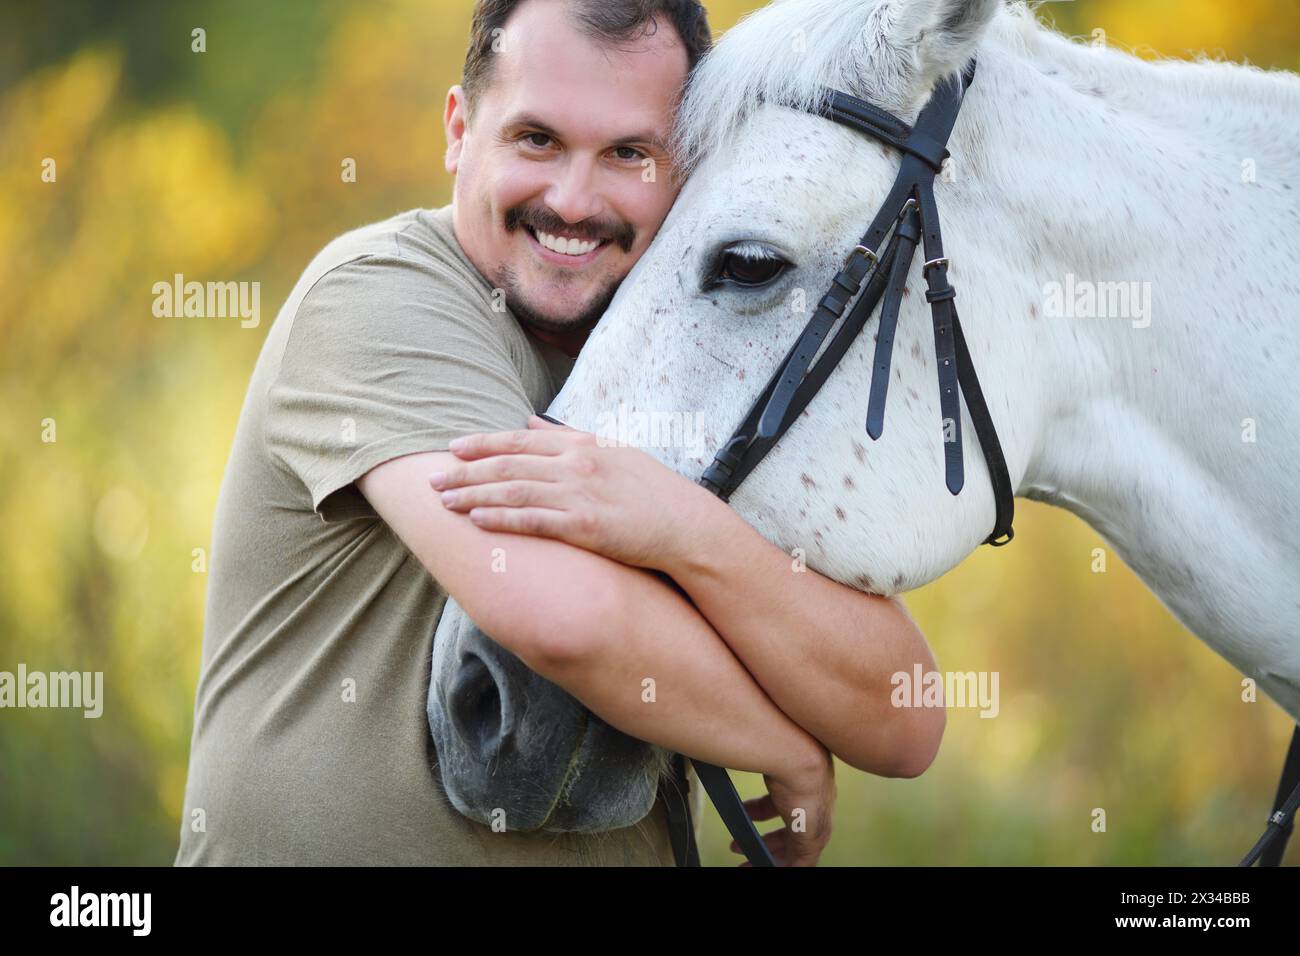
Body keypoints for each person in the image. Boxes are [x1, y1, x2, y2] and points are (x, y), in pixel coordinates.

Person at [176, 0, 943, 866]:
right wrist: (791, 747)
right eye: (536, 139)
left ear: (686, 169)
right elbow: (559, 616)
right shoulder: (376, 297)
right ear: (460, 130)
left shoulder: (699, 356)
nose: (574, 202)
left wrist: (680, 526)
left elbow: (902, 717)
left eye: (628, 153)